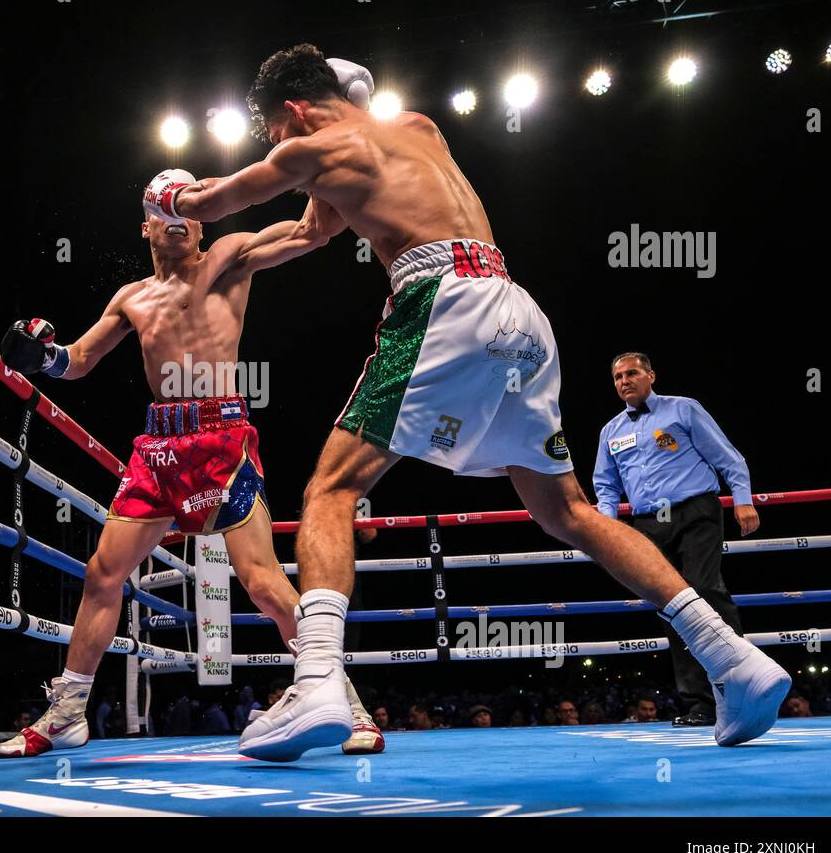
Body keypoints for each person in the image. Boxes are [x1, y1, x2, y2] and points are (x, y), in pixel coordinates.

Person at [163, 44, 790, 758]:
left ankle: (316, 682)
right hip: (516, 311)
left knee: (331, 489)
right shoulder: (421, 129)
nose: (281, 144)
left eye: (278, 131)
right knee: (568, 510)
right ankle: (732, 659)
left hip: (442, 303)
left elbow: (217, 201)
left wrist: (168, 197)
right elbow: (315, 227)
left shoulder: (314, 146)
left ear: (297, 110)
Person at [0, 174, 381, 759]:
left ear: (200, 221)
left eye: (188, 208)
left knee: (262, 581)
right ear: (146, 225)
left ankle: (343, 703)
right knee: (103, 574)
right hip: (156, 449)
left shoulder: (228, 260)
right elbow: (77, 361)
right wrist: (41, 358)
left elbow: (311, 232)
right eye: (162, 209)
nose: (177, 220)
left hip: (221, 439)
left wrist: (319, 165)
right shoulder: (130, 297)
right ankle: (69, 711)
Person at [594, 352, 757, 728]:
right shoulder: (610, 431)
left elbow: (727, 456)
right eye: (617, 377)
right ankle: (700, 703)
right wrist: (605, 529)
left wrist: (744, 500)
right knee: (675, 609)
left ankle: (746, 682)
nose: (624, 381)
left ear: (651, 375)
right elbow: (605, 487)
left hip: (695, 511)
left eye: (632, 373)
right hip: (648, 524)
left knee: (703, 590)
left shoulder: (683, 409)